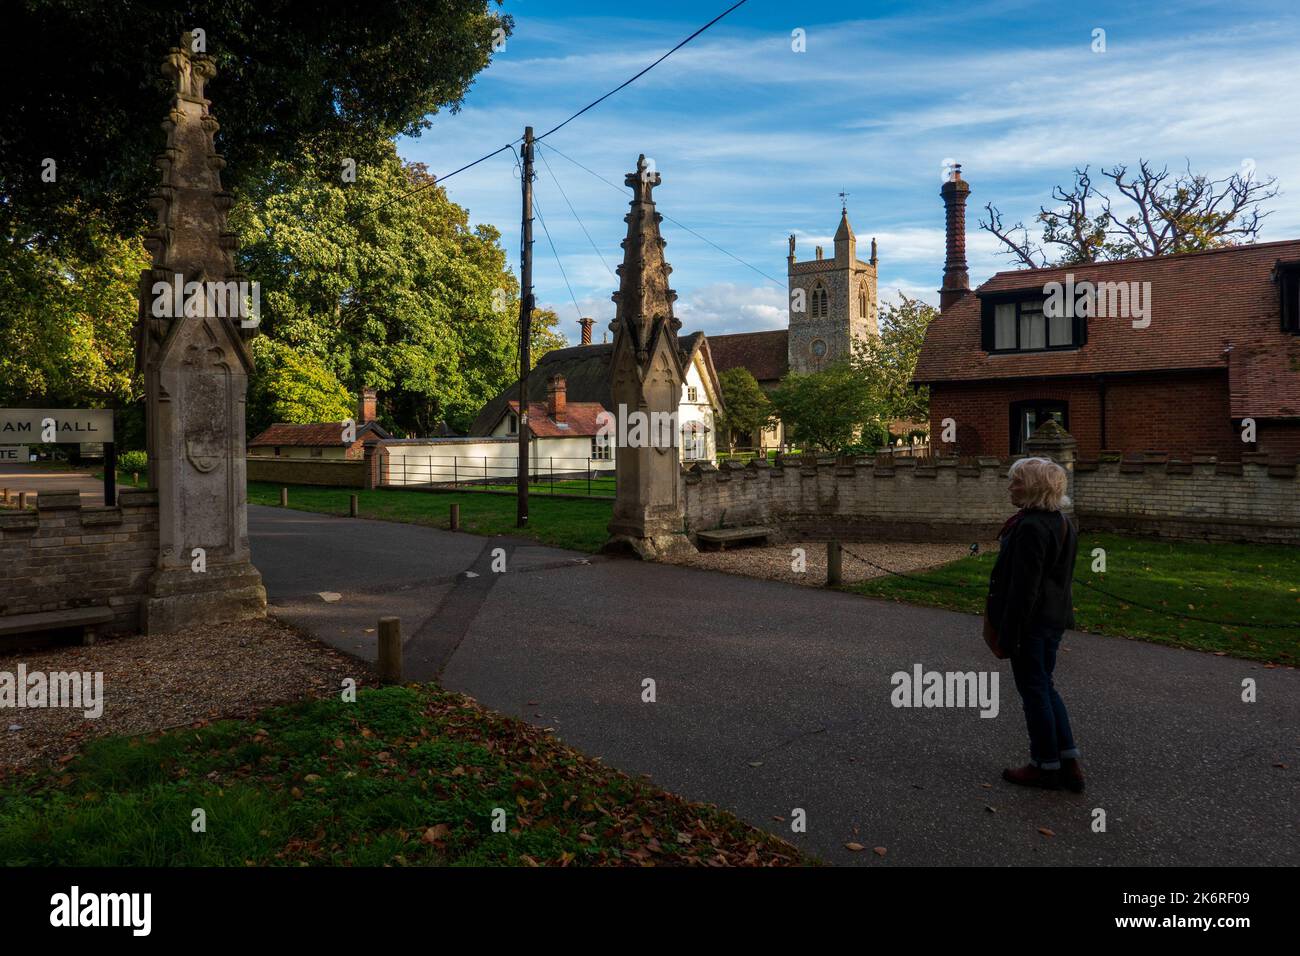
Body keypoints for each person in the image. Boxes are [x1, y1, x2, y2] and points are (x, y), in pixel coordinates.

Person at [986, 456, 1084, 792]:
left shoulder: (1029, 528)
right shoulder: (1061, 522)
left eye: (1016, 481)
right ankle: (1067, 759)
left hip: (1031, 624)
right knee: (1045, 686)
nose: (1010, 487)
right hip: (1053, 620)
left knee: (1034, 691)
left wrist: (1007, 635)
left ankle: (1044, 763)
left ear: (1034, 487)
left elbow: (1023, 589)